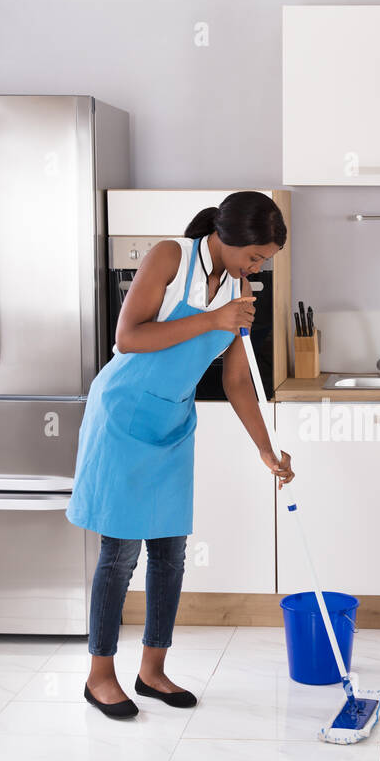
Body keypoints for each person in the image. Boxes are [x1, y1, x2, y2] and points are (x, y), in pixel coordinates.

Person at [67, 191, 294, 718]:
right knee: (120, 554)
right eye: (255, 257)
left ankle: (152, 671)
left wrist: (266, 448)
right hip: (121, 419)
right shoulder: (171, 256)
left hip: (171, 423)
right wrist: (213, 321)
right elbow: (128, 338)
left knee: (169, 553)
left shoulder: (238, 291)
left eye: (263, 262)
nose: (256, 269)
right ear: (228, 237)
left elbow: (238, 379)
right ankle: (100, 676)